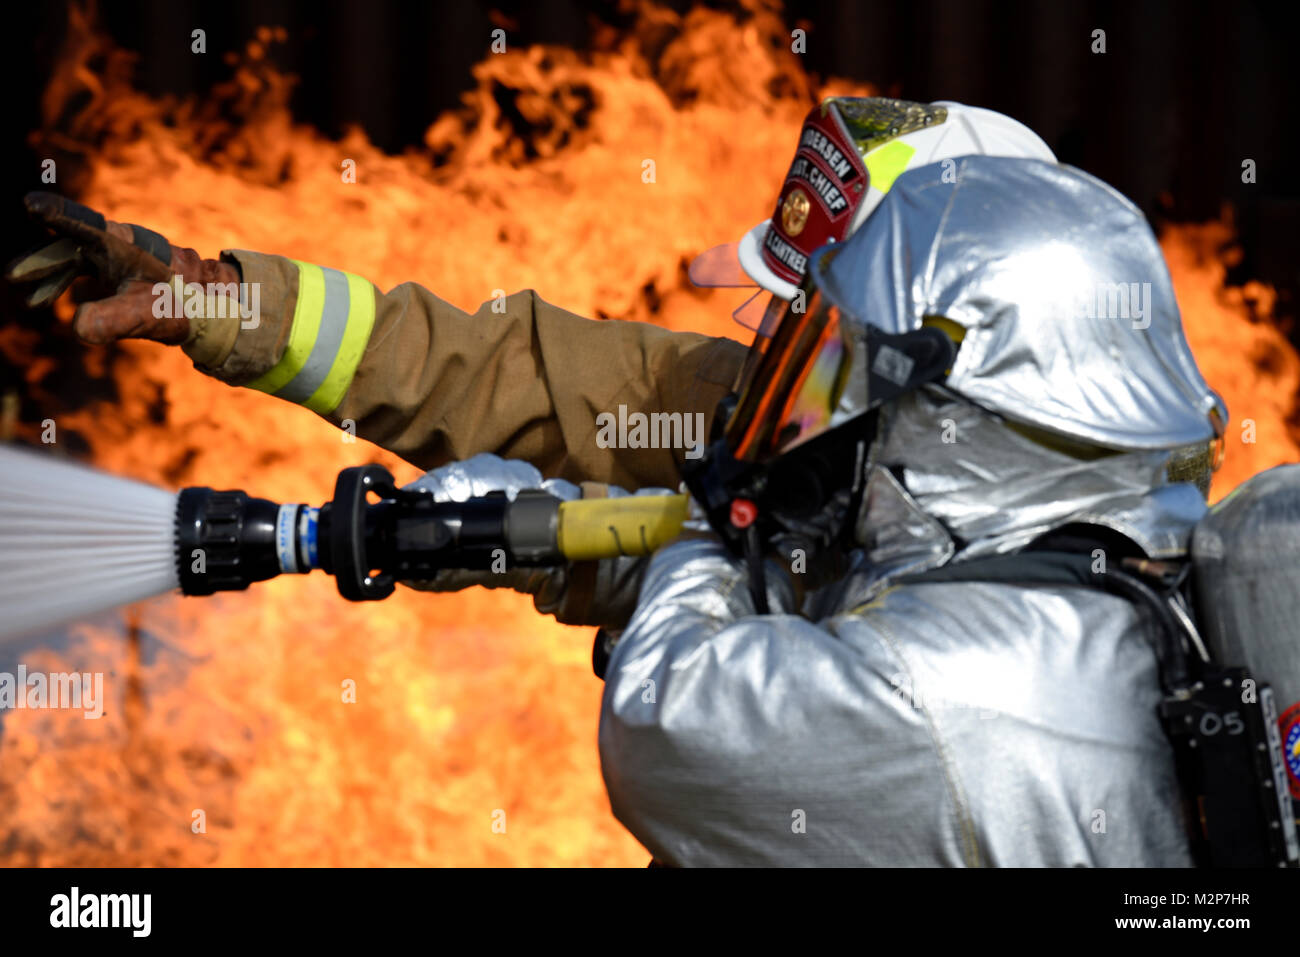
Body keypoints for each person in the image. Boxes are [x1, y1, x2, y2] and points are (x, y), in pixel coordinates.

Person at [598, 155, 1225, 865]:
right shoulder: (1139, 580)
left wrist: (712, 523)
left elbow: (660, 724)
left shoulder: (937, 684)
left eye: (846, 373)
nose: (828, 422)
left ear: (941, 410)